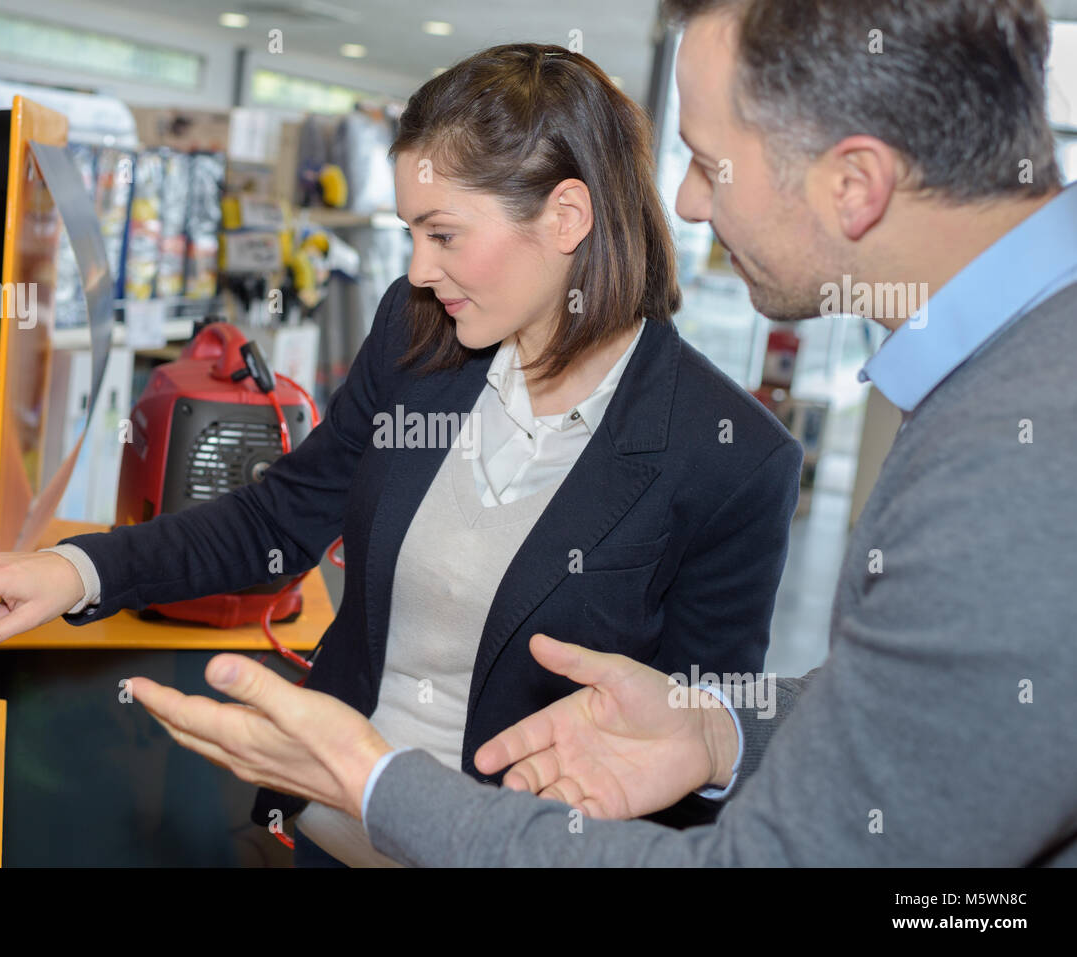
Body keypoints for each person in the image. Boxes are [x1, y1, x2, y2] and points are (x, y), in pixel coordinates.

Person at [124, 0, 1077, 866]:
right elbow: (921, 720)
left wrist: (377, 784)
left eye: (708, 163)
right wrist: (719, 730)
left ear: (854, 182)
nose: (691, 202)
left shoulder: (1015, 462)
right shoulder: (1009, 386)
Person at [0, 42, 803, 866]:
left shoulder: (729, 458)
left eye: (442, 233)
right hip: (327, 830)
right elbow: (280, 518)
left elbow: (693, 750)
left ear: (566, 217)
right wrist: (76, 570)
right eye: (409, 233)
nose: (419, 268)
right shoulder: (419, 329)